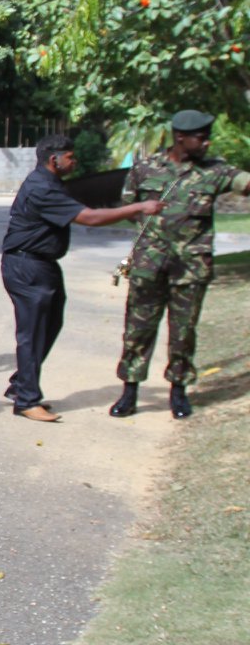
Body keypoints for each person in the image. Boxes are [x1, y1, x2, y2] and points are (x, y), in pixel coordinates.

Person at [3, 135, 162, 422]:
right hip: (27, 265)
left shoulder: (52, 183)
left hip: (43, 264)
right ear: (55, 160)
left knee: (50, 324)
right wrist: (138, 208)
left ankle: (21, 384)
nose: (74, 161)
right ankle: (26, 400)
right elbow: (89, 218)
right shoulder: (42, 187)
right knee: (32, 331)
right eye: (71, 157)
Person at [108, 110, 250, 419]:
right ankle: (129, 390)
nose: (207, 142)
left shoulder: (216, 171)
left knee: (183, 332)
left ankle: (179, 391)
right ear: (181, 138)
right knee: (137, 330)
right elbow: (129, 206)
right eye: (201, 138)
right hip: (149, 264)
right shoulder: (145, 169)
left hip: (190, 267)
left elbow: (246, 183)